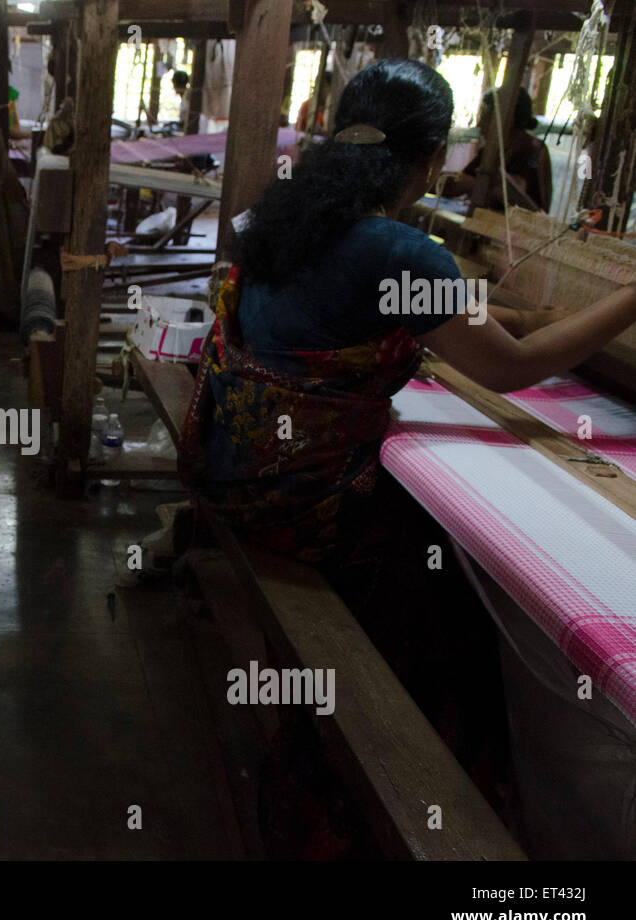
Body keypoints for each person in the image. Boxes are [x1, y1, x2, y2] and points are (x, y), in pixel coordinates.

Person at [180, 58, 636, 570]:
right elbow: (512, 368)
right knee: (455, 549)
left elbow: (390, 300)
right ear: (433, 157)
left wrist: (529, 318)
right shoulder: (400, 252)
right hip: (300, 505)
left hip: (230, 468)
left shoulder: (287, 218)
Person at [442, 86, 552, 211]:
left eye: (485, 116)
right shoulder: (494, 147)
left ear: (505, 117)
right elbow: (459, 181)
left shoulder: (532, 148)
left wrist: (472, 185)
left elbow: (514, 197)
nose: (480, 124)